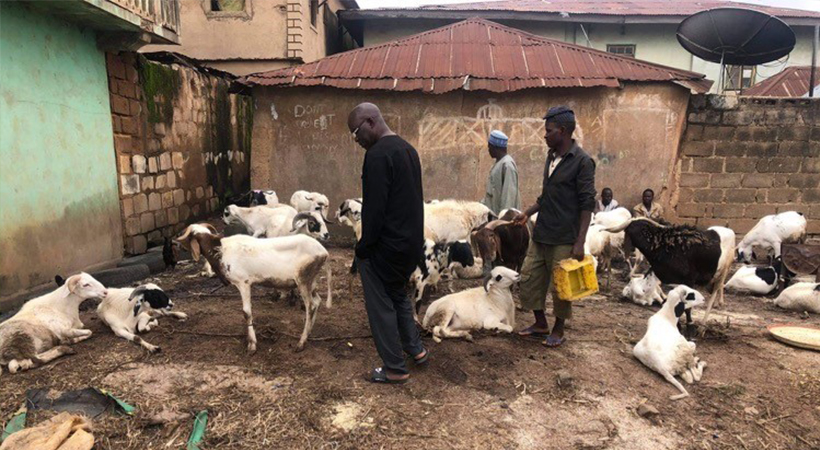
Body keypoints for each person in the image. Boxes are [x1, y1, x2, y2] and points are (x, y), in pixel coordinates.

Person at [348, 103, 428, 384]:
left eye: (356, 132)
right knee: (398, 295)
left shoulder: (378, 156)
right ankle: (416, 350)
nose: (356, 139)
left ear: (371, 122)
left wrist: (363, 249)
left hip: (386, 246)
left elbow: (375, 210)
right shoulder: (408, 150)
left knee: (380, 304)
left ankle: (395, 367)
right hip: (409, 245)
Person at [513, 106, 596, 348]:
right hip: (542, 232)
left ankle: (559, 329)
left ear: (562, 131)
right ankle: (540, 323)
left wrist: (579, 241)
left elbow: (587, 203)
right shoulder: (551, 157)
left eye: (548, 131)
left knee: (561, 287)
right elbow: (547, 196)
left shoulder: (582, 162)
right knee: (529, 278)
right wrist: (526, 213)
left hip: (564, 237)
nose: (544, 135)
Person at [481, 130, 521, 216]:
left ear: (495, 147)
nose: (488, 150)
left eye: (489, 147)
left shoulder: (507, 165)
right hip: (494, 216)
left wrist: (504, 219)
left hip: (502, 220)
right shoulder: (498, 164)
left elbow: (508, 197)